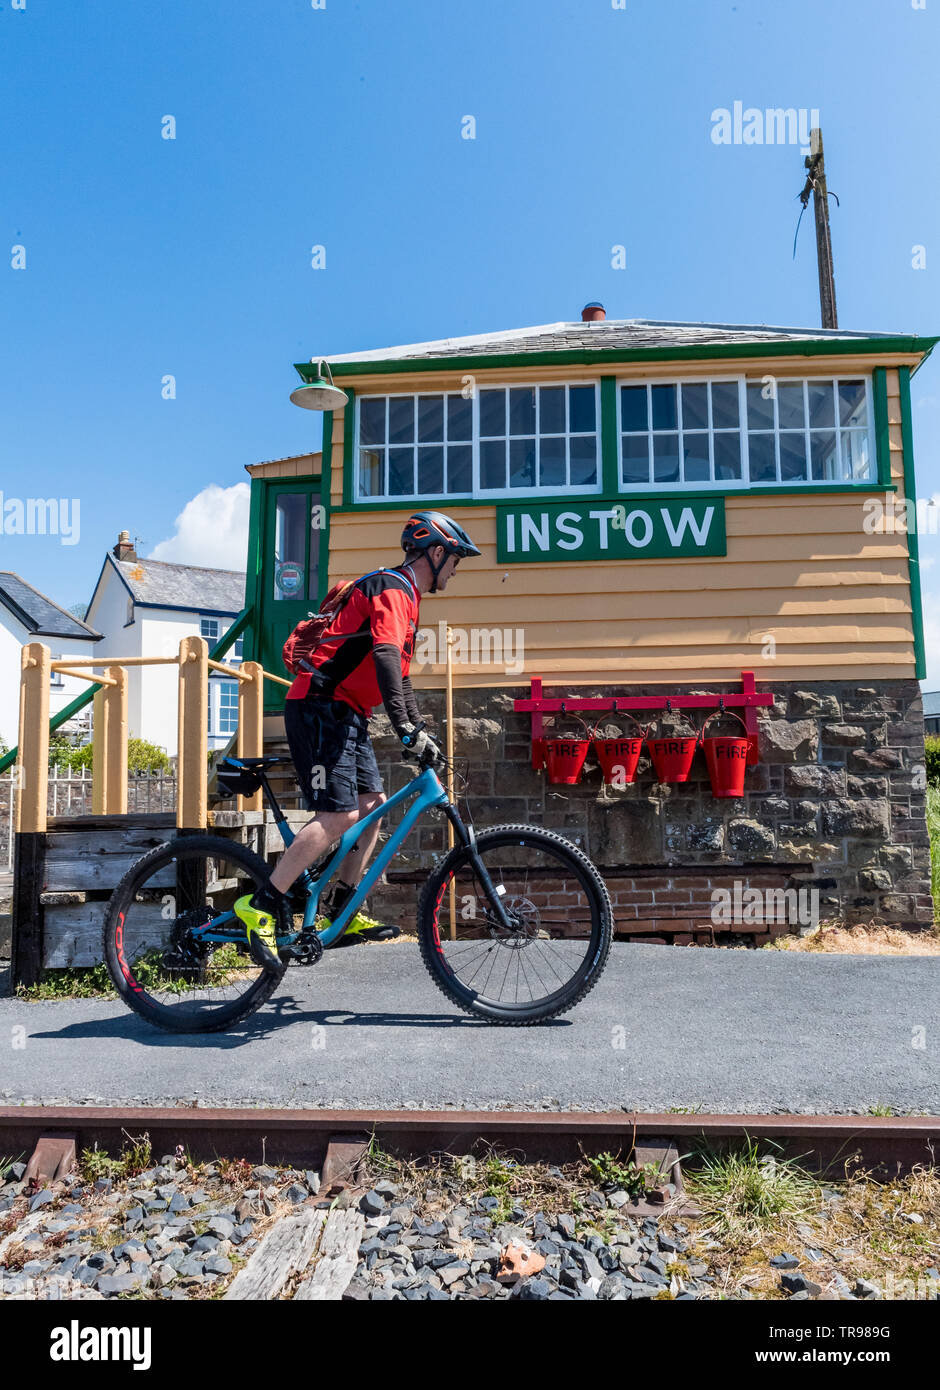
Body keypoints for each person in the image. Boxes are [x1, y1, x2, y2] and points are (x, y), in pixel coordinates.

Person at [234, 510, 481, 968]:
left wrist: (417, 729)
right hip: (319, 706)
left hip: (348, 711)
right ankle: (262, 904)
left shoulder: (408, 599)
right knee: (340, 812)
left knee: (373, 805)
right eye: (455, 559)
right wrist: (405, 729)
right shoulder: (390, 585)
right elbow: (385, 656)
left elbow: (399, 679)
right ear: (437, 551)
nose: (455, 570)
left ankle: (342, 910)